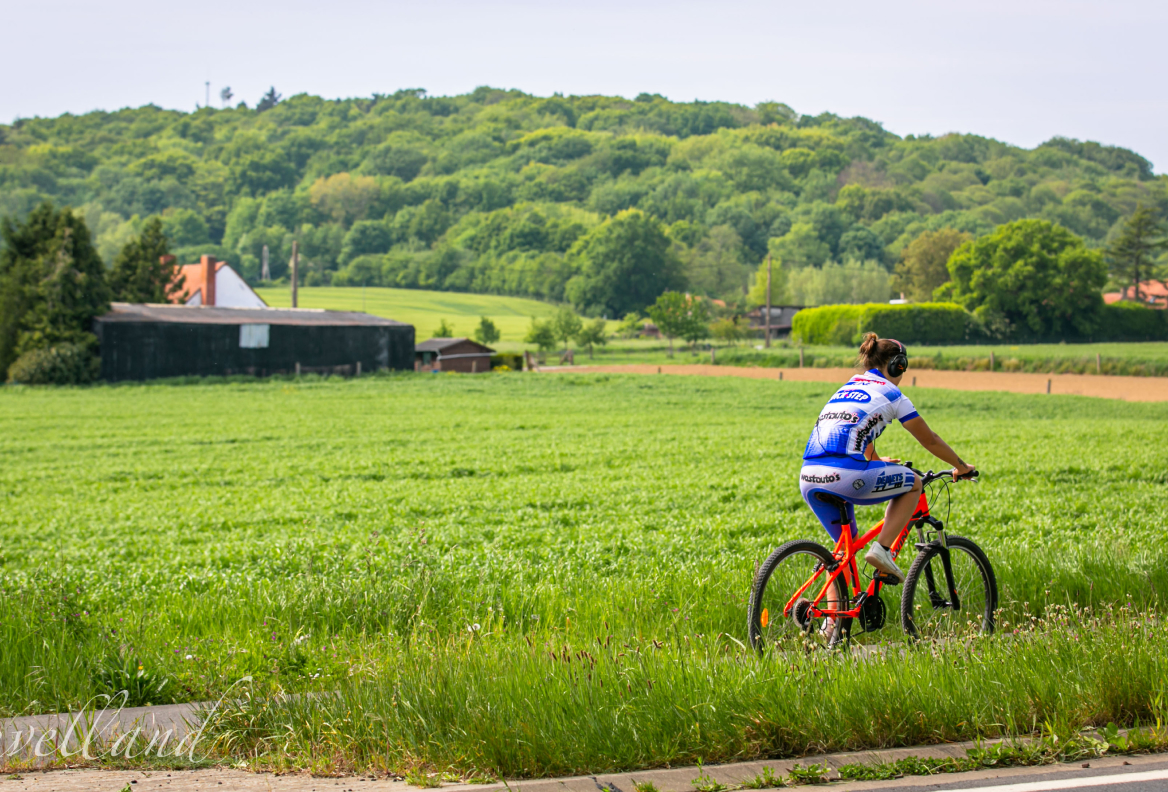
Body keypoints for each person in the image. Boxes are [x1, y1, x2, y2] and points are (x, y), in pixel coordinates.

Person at [799, 333, 975, 582]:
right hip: (846, 475)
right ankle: (882, 550)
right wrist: (961, 466)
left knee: (841, 556)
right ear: (897, 365)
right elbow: (930, 439)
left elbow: (857, 431)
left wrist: (877, 461)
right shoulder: (893, 394)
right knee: (914, 483)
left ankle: (832, 620)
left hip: (808, 475)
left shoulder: (850, 385)